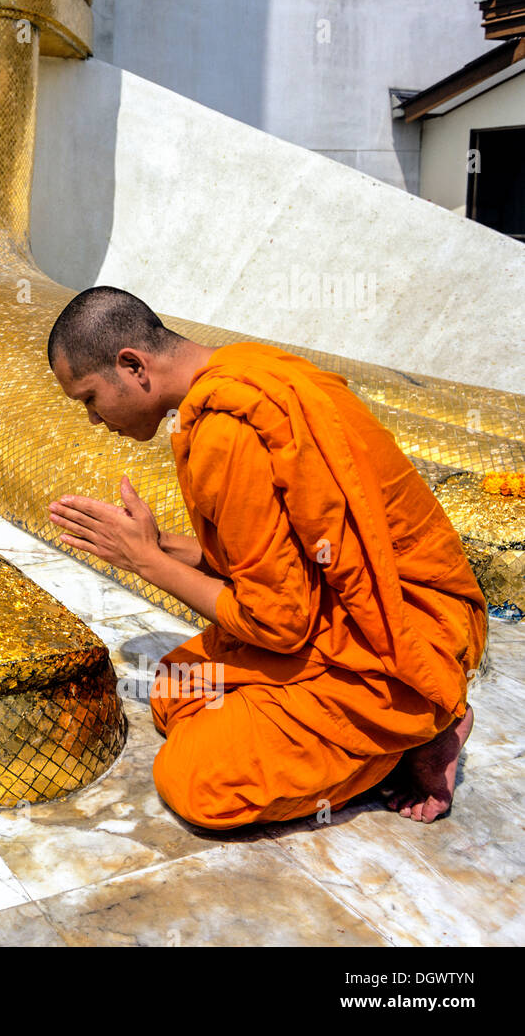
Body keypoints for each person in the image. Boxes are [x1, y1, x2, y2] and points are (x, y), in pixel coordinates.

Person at [45, 285, 487, 829]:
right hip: (353, 618)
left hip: (400, 644)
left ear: (133, 365)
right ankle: (390, 725)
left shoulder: (227, 431)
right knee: (173, 689)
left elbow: (277, 623)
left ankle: (415, 732)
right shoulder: (249, 370)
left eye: (88, 399)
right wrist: (159, 546)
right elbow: (275, 559)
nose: (93, 419)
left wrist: (149, 565)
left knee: (194, 780)